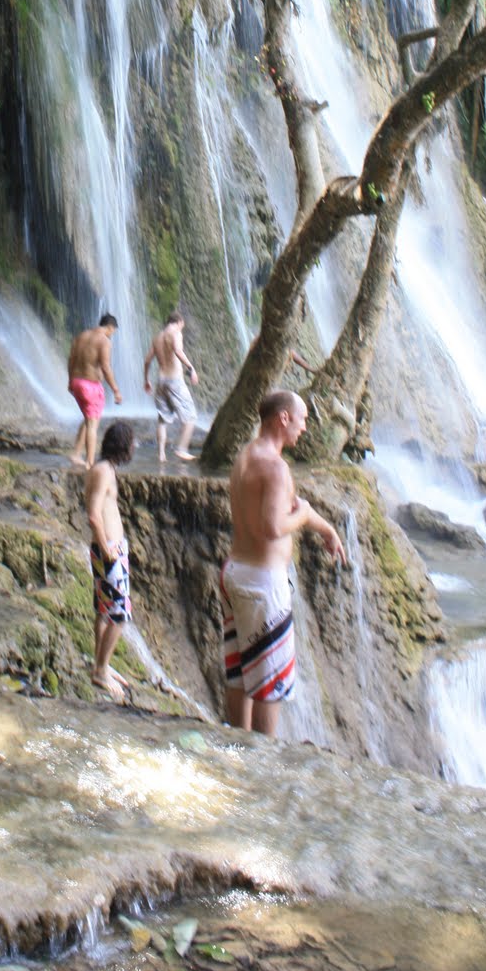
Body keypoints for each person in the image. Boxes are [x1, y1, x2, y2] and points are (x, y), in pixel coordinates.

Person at [220, 389, 346, 737]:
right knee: (269, 684)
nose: (305, 428)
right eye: (302, 419)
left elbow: (292, 504)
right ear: (284, 418)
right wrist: (305, 516)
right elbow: (274, 526)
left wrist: (325, 528)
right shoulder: (275, 467)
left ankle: (237, 748)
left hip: (234, 574)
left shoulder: (246, 456)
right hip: (263, 586)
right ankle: (264, 761)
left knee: (240, 673)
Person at [84, 420, 136, 703]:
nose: (134, 447)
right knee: (120, 614)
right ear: (123, 445)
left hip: (109, 550)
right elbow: (93, 514)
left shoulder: (103, 468)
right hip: (109, 552)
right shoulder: (103, 472)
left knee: (105, 610)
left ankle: (99, 664)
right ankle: (101, 670)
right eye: (132, 443)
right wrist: (107, 548)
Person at [67, 312, 122, 469]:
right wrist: (116, 390)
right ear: (110, 327)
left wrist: (70, 380)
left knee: (87, 419)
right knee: (93, 424)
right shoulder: (104, 341)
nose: (112, 334)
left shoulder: (82, 336)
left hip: (77, 382)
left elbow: (71, 359)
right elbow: (105, 367)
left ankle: (76, 454)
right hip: (91, 385)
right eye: (113, 331)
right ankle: (90, 463)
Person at [143, 312, 199, 461]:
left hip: (160, 381)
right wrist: (191, 368)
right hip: (174, 380)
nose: (182, 328)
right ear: (179, 322)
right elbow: (177, 350)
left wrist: (146, 380)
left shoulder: (157, 338)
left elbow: (147, 361)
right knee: (191, 416)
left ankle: (161, 454)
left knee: (163, 419)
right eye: (182, 326)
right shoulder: (175, 333)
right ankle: (182, 448)